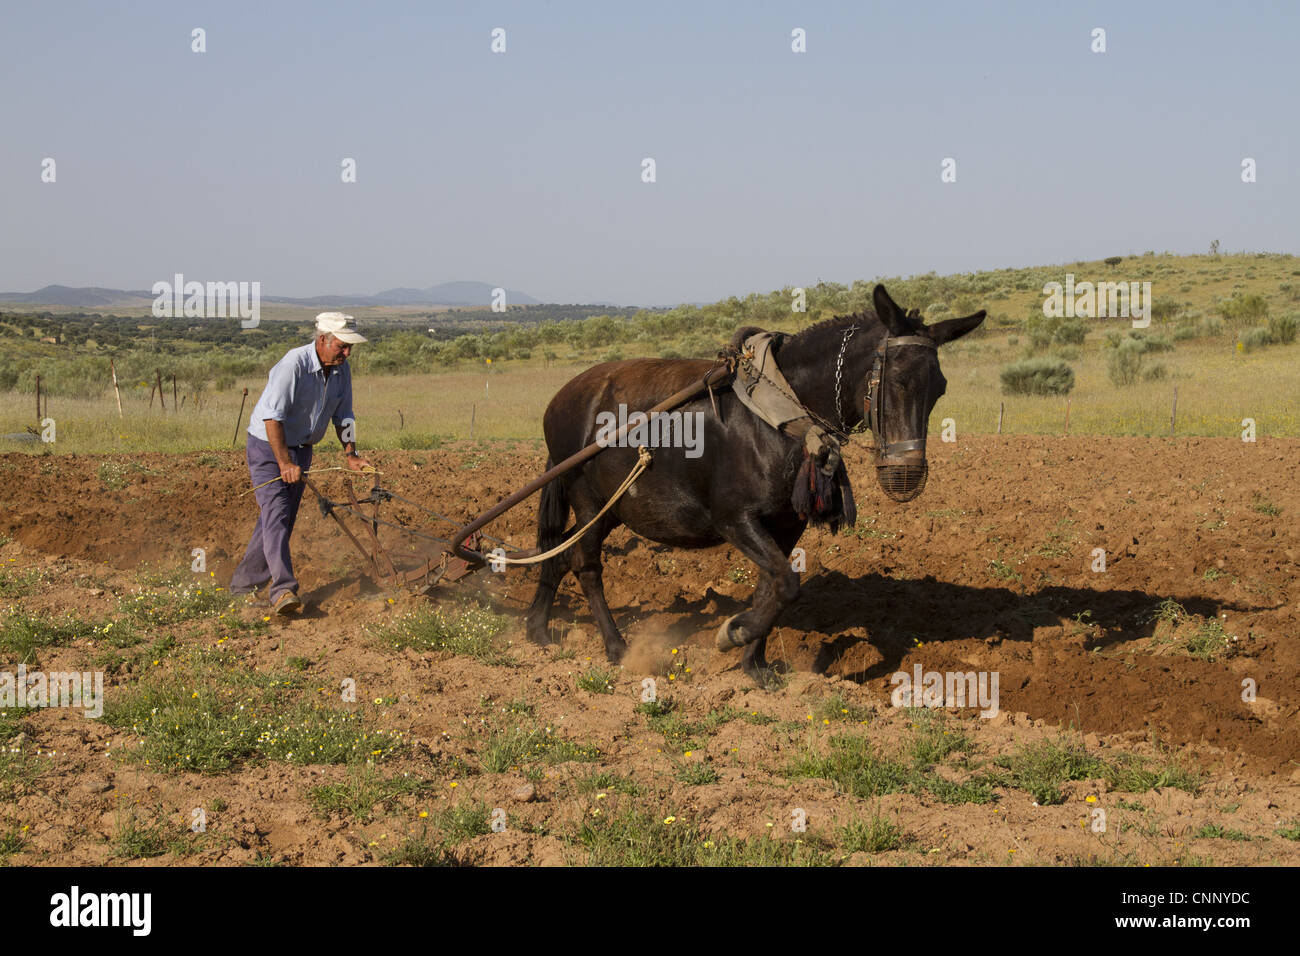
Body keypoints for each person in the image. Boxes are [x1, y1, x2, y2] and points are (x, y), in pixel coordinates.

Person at [230, 312, 374, 614]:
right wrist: (283, 462)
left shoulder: (341, 371)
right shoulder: (292, 365)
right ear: (322, 340)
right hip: (269, 448)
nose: (347, 353)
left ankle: (243, 585)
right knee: (277, 515)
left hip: (301, 450)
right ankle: (283, 591)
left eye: (350, 348)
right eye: (342, 346)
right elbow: (272, 418)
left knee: (278, 520)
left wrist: (351, 454)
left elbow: (344, 415)